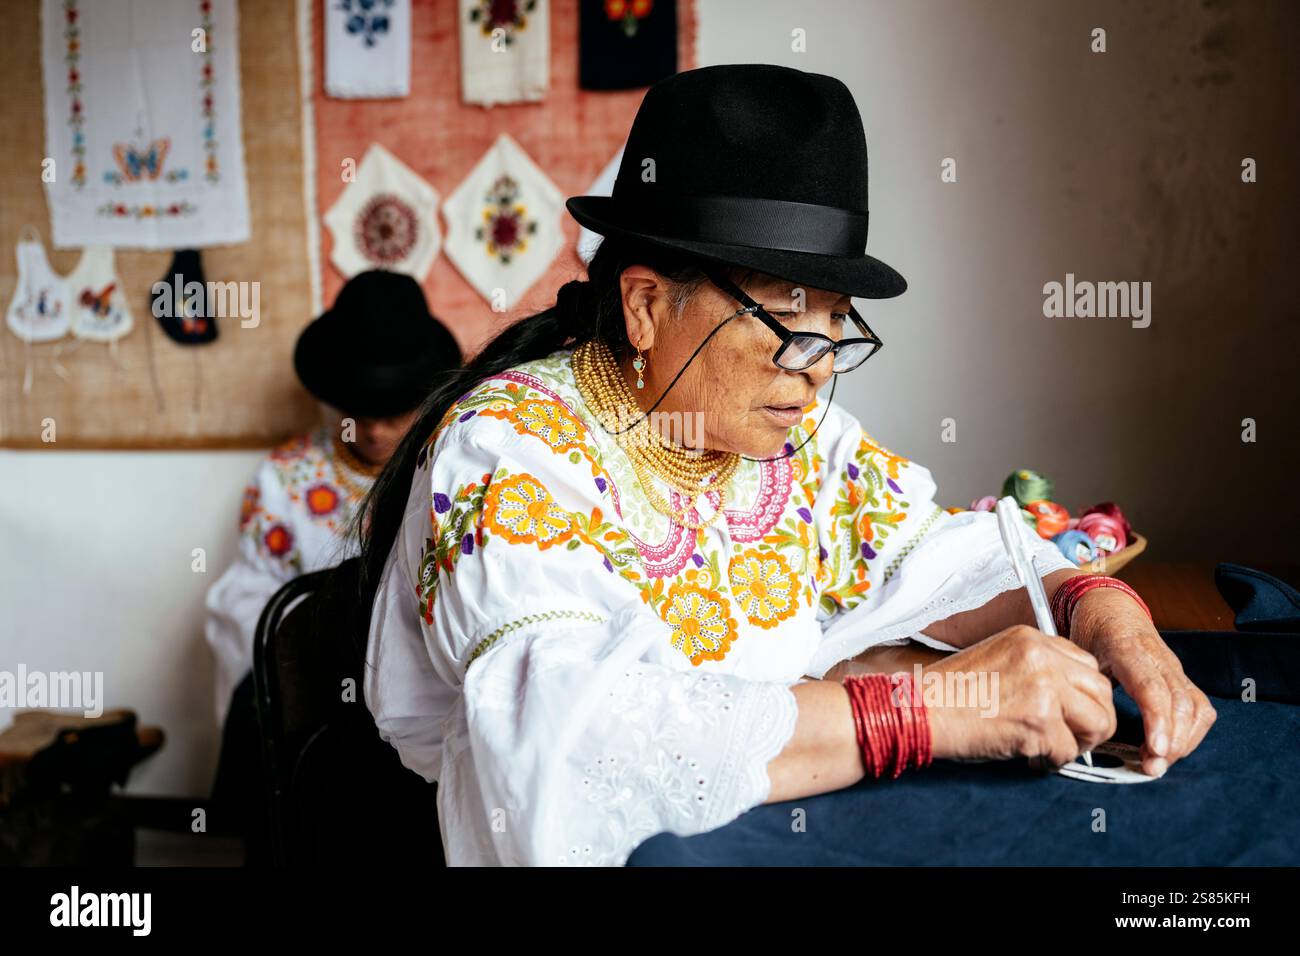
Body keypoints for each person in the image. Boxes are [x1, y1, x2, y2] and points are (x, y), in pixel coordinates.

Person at [358, 65, 1215, 866]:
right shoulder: (508, 451)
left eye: (838, 325)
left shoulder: (793, 437)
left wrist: (1097, 607)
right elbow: (564, 745)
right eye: (791, 321)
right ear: (647, 305)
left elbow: (932, 555)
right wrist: (921, 710)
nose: (818, 368)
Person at [204, 270, 461, 728]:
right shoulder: (284, 479)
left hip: (427, 699)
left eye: (394, 412)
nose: (376, 431)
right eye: (359, 413)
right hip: (317, 701)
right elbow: (245, 605)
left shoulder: (452, 470)